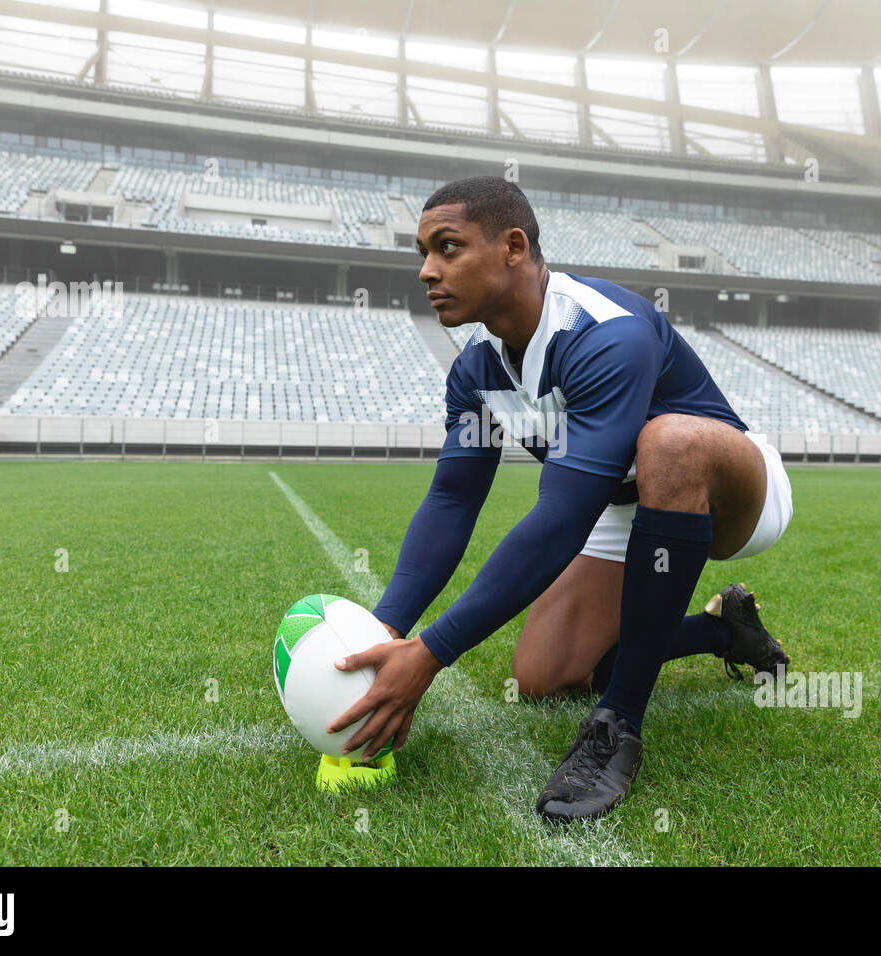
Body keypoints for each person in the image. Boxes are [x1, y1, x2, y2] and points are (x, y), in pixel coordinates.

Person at [327, 176, 793, 822]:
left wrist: (431, 654)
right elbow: (454, 499)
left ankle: (617, 728)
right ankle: (725, 631)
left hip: (731, 493)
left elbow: (564, 517)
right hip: (619, 505)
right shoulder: (475, 371)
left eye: (448, 248)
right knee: (545, 674)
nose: (428, 271)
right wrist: (384, 633)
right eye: (423, 254)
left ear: (513, 246)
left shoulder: (606, 332)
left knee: (667, 443)